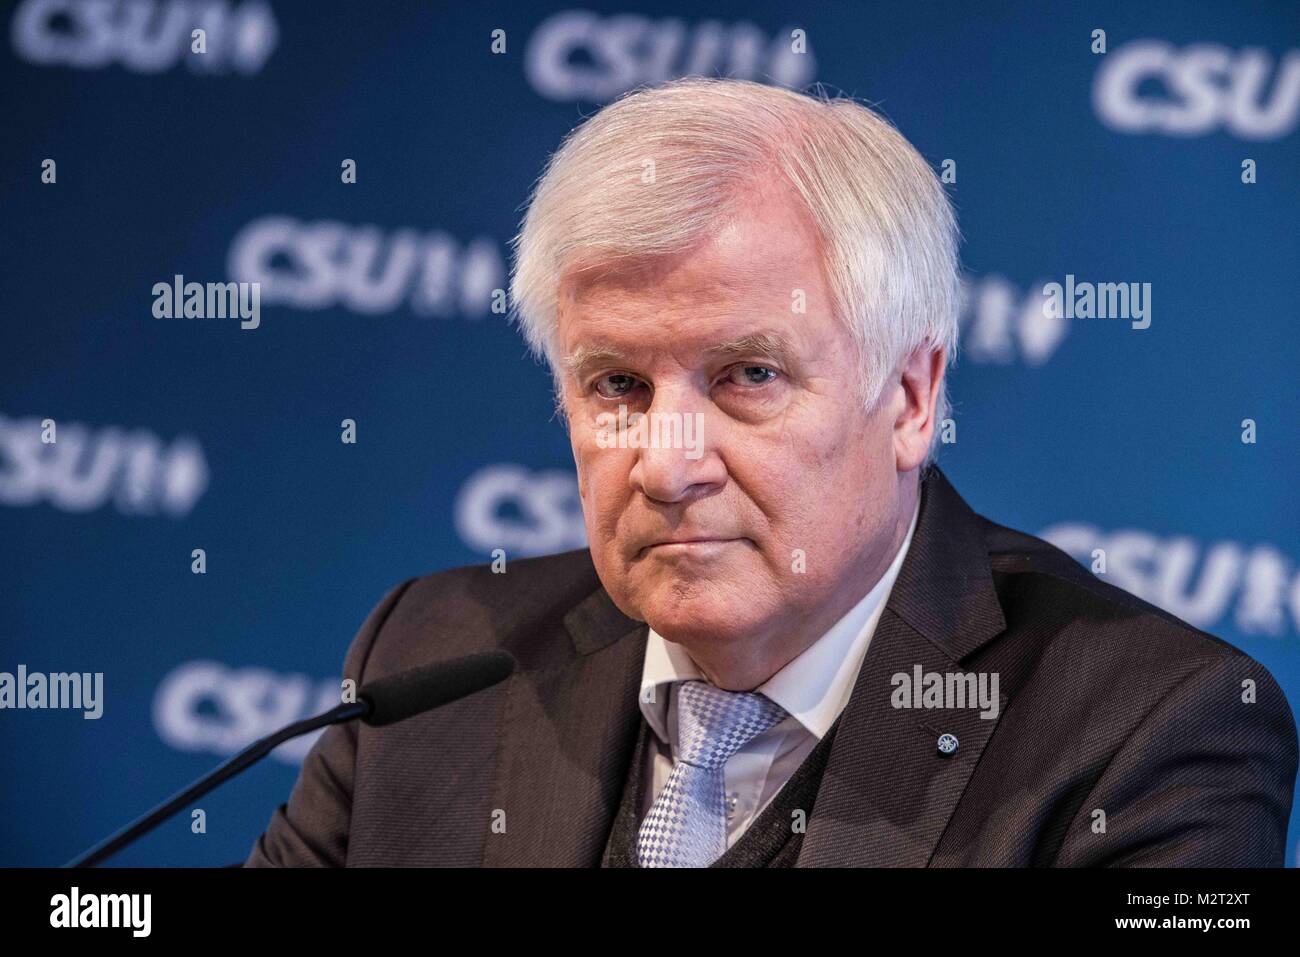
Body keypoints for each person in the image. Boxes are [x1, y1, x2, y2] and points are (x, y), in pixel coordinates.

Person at [246, 77, 1296, 867]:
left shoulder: (1147, 731)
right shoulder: (428, 666)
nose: (666, 465)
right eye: (615, 384)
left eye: (748, 374)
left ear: (912, 399)